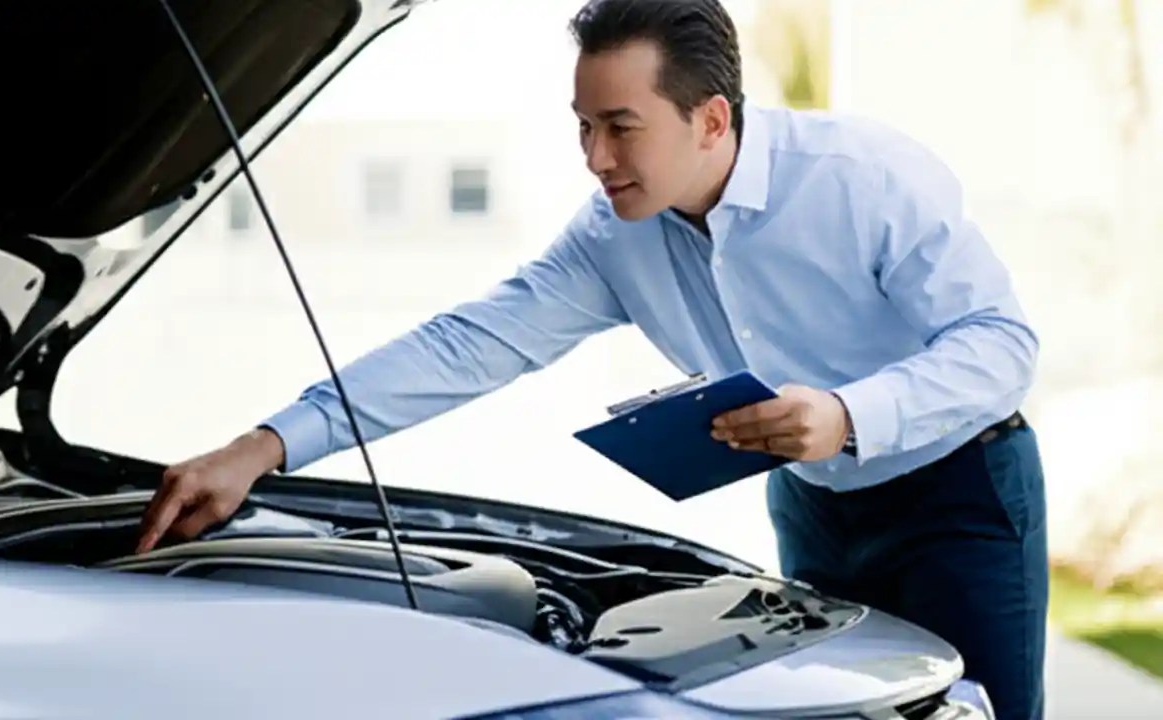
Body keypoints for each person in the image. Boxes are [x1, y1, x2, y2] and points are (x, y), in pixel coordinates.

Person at [138, 1, 1047, 718]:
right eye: (582, 127)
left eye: (620, 126)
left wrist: (849, 417)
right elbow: (468, 344)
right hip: (812, 508)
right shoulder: (613, 236)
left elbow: (1002, 344)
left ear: (711, 119)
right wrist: (264, 445)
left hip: (960, 496)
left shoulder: (863, 178)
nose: (595, 158)